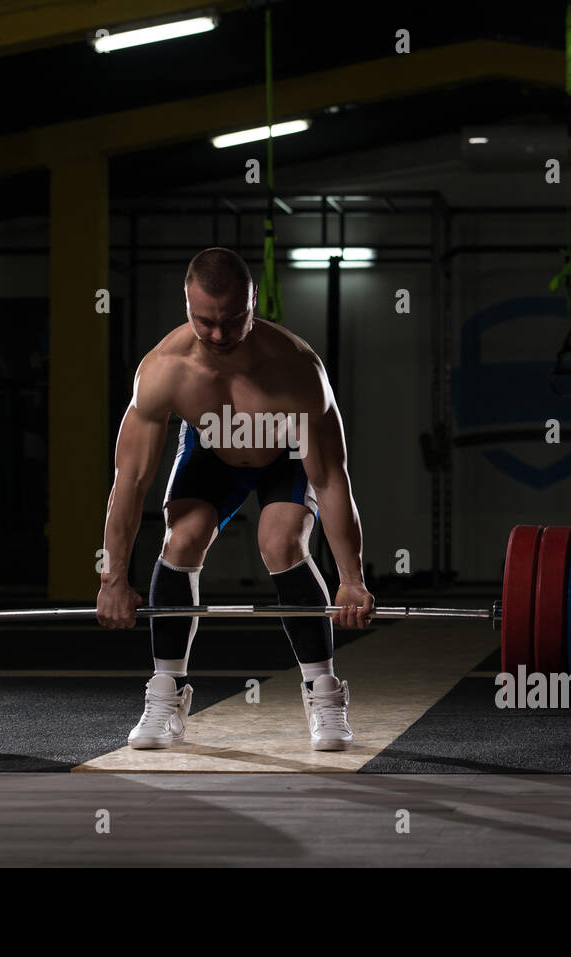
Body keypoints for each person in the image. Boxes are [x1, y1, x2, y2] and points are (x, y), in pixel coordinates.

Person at [96, 247, 376, 751]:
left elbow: (333, 480)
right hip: (211, 451)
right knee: (181, 540)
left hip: (282, 453)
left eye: (234, 320)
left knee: (281, 542)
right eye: (206, 322)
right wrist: (113, 579)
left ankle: (324, 693)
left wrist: (352, 580)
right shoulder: (163, 371)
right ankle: (165, 694)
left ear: (255, 301)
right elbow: (130, 482)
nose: (220, 335)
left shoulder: (296, 369)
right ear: (187, 306)